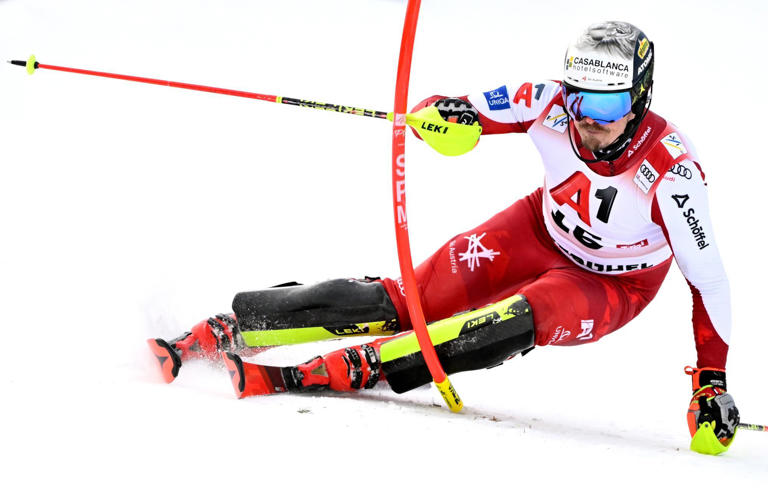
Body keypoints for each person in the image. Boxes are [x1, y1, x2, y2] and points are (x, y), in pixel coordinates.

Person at [147, 21, 739, 454]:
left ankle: (346, 369)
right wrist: (444, 118)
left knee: (510, 321)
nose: (587, 115)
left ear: (638, 97)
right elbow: (460, 109)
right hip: (539, 229)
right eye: (579, 94)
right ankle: (232, 328)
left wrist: (711, 378)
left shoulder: (672, 171)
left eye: (607, 102)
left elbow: (707, 278)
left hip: (613, 284)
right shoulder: (550, 103)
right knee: (408, 300)